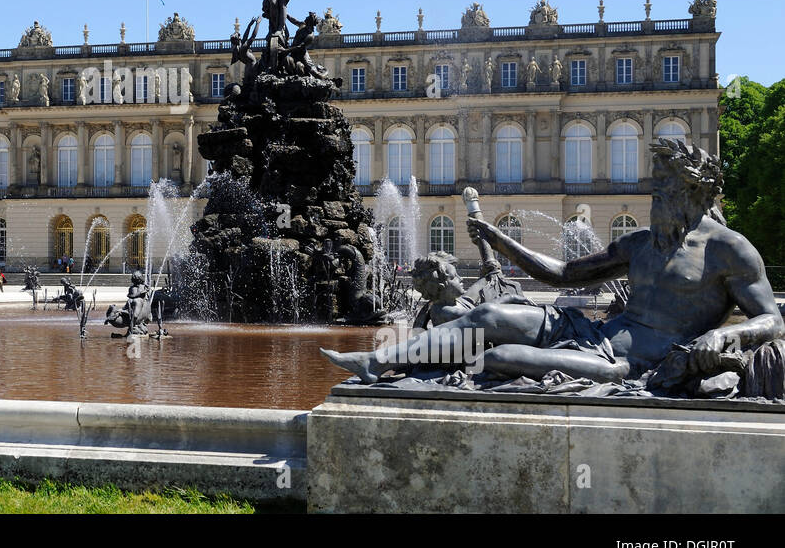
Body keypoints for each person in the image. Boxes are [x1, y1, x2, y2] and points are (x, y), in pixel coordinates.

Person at [322, 139, 784, 386]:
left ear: (695, 191)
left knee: (498, 355)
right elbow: (561, 274)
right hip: (589, 332)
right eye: (655, 188)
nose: (654, 196)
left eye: (664, 190)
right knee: (488, 314)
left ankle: (441, 380)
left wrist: (725, 333)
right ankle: (376, 361)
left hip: (634, 360)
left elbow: (771, 319)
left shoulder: (729, 249)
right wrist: (499, 240)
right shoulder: (643, 243)